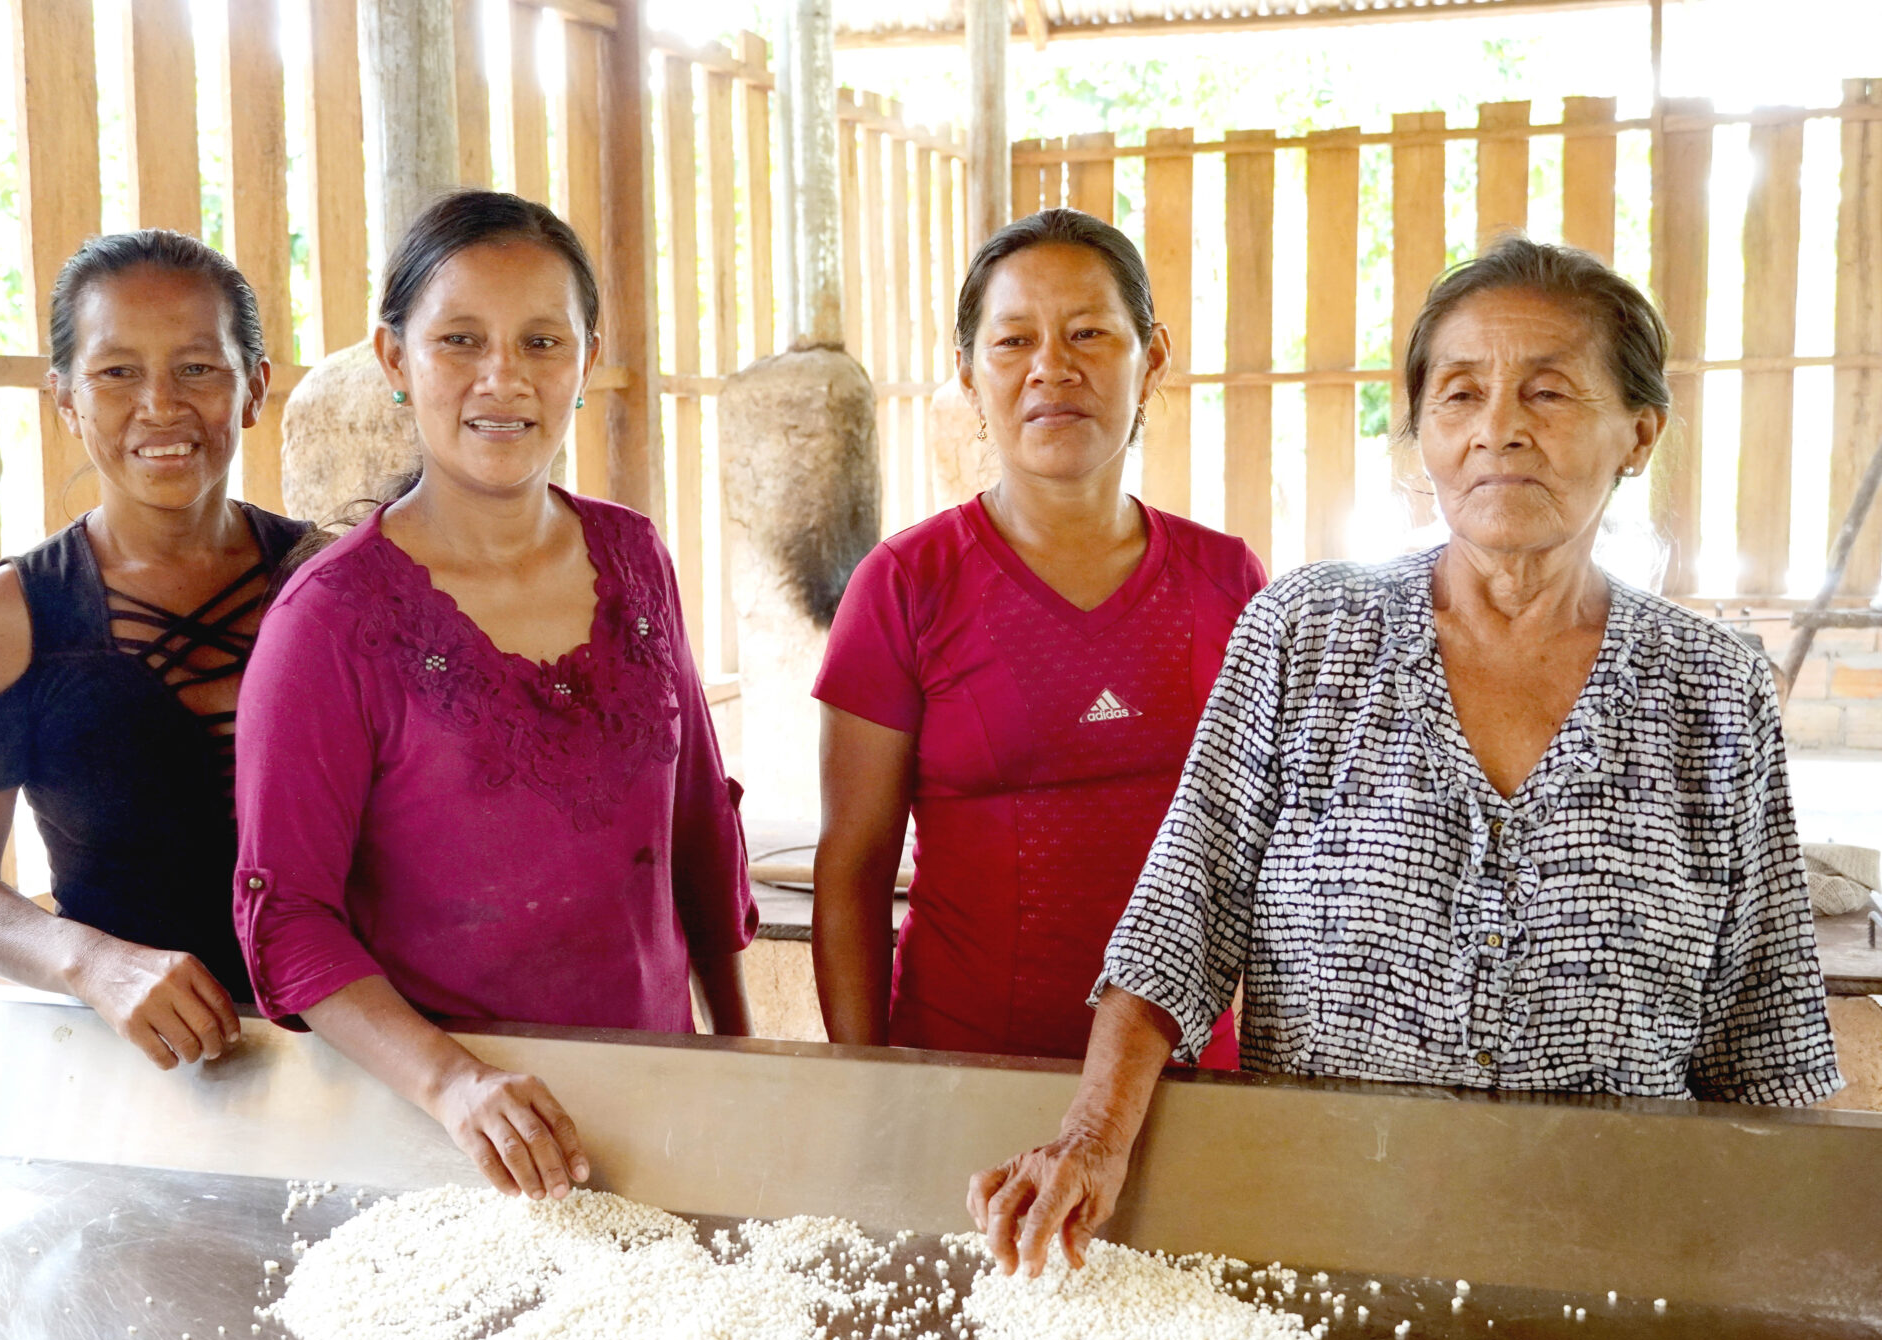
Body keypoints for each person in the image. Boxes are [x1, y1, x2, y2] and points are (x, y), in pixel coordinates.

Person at [969, 235, 1844, 1278]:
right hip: (1324, 1227)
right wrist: (1092, 1138)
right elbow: (1179, 918)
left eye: (1549, 394)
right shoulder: (1307, 633)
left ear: (1636, 433)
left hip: (1612, 1254)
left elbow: (1764, 1034)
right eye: (1460, 395)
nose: (1498, 432)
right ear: (1421, 432)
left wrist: (1785, 1280)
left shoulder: (1711, 689)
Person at [234, 190, 756, 1201]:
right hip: (440, 1139)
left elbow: (695, 821)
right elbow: (287, 919)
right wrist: (455, 1085)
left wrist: (734, 1055)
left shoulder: (633, 557)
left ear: (586, 357)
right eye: (458, 340)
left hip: (654, 1099)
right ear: (394, 360)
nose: (501, 379)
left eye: (540, 342)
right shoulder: (332, 621)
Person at [812, 208, 1260, 1063]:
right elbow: (852, 870)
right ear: (970, 375)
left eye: (1089, 332)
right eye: (1013, 341)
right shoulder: (906, 586)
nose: (1052, 368)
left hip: (1193, 1080)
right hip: (965, 1074)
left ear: (1152, 356)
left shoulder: (1228, 582)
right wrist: (864, 1088)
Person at [0, 230, 311, 1069]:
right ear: (65, 399)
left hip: (356, 1045)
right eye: (117, 371)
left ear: (253, 388)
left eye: (198, 367)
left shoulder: (327, 581)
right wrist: (92, 961)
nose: (160, 405)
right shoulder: (11, 616)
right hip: (139, 1062)